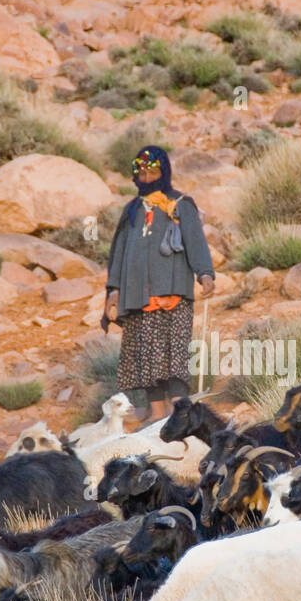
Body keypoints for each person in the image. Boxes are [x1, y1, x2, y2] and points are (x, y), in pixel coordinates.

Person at [104, 146, 215, 424]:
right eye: (142, 172)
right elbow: (118, 253)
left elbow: (195, 241)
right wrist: (114, 292)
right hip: (138, 297)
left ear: (164, 172)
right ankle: (156, 415)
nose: (147, 177)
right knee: (146, 356)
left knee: (175, 353)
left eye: (153, 171)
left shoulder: (181, 204)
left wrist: (205, 274)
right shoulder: (132, 211)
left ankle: (180, 415)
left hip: (174, 293)